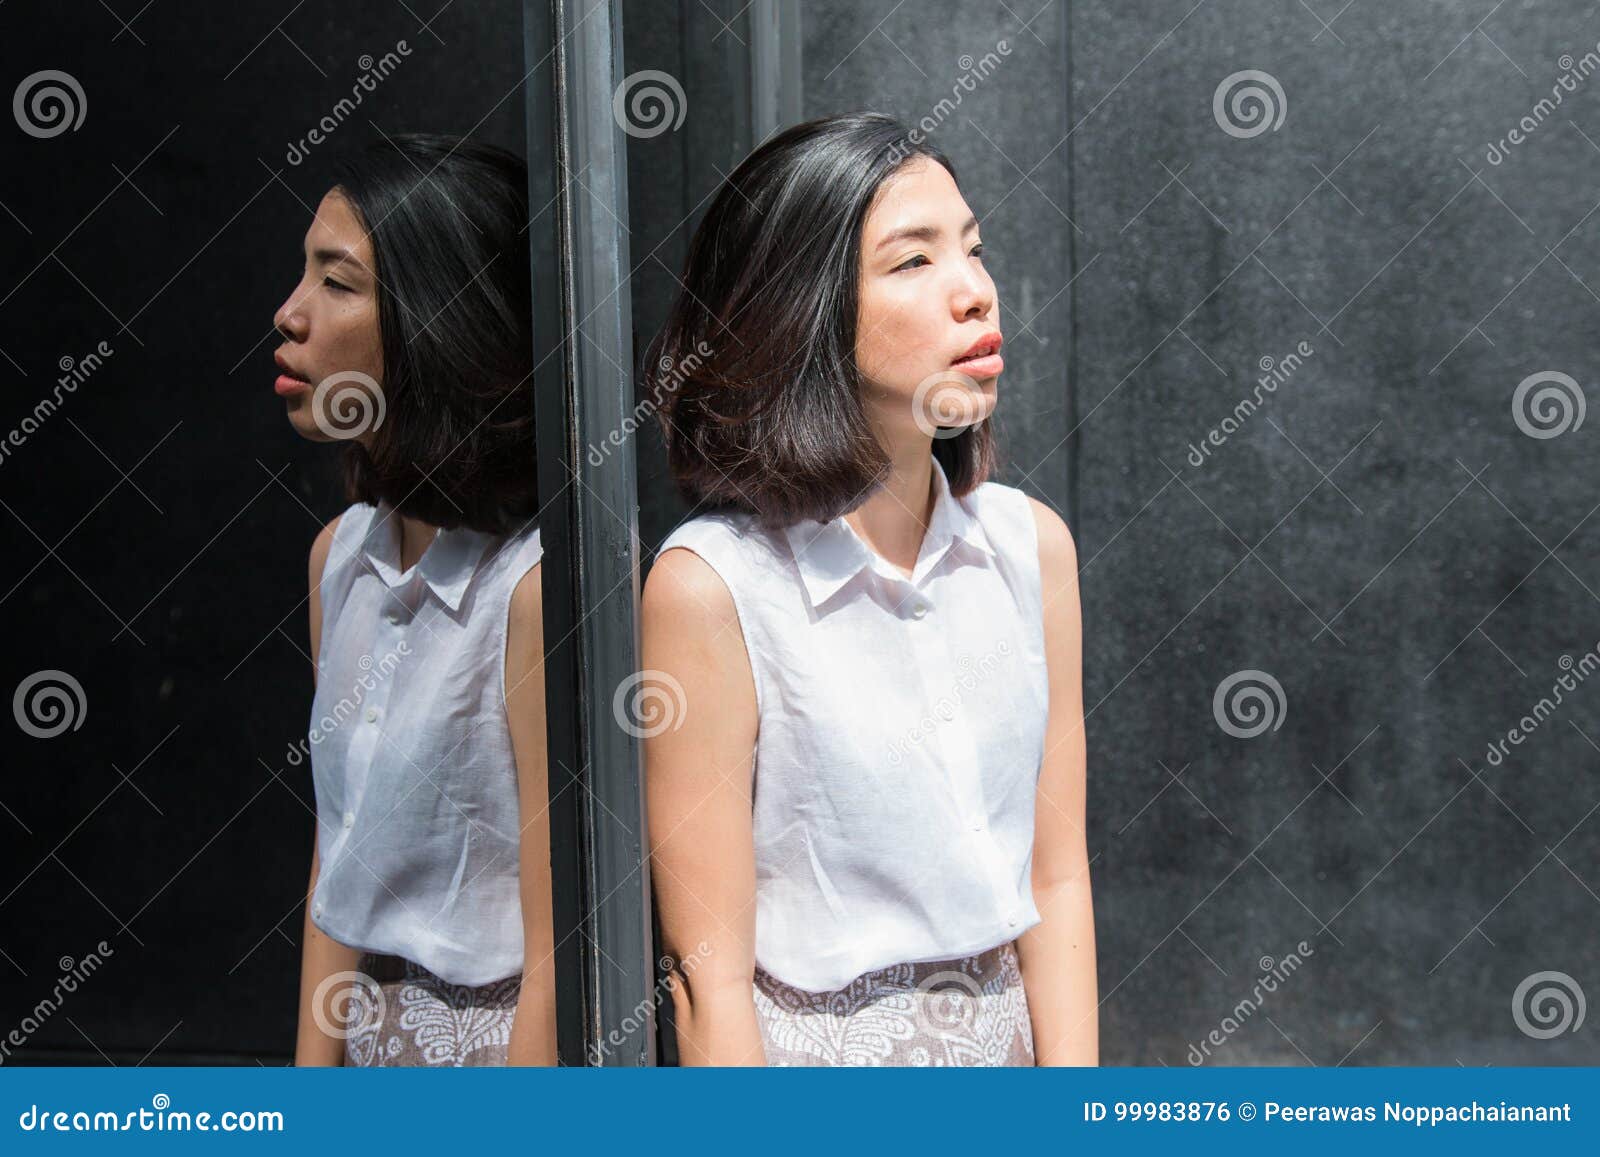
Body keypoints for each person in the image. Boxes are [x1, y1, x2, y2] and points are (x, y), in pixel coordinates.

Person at [639, 112, 1098, 1066]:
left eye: (973, 248)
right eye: (914, 261)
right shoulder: (712, 586)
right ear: (802, 309)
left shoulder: (1032, 548)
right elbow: (708, 981)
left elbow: (1057, 882)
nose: (975, 291)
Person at [272, 134, 555, 1066]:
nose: (290, 313)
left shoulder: (531, 585)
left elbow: (564, 943)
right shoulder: (338, 558)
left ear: (438, 320)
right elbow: (338, 856)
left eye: (337, 282)